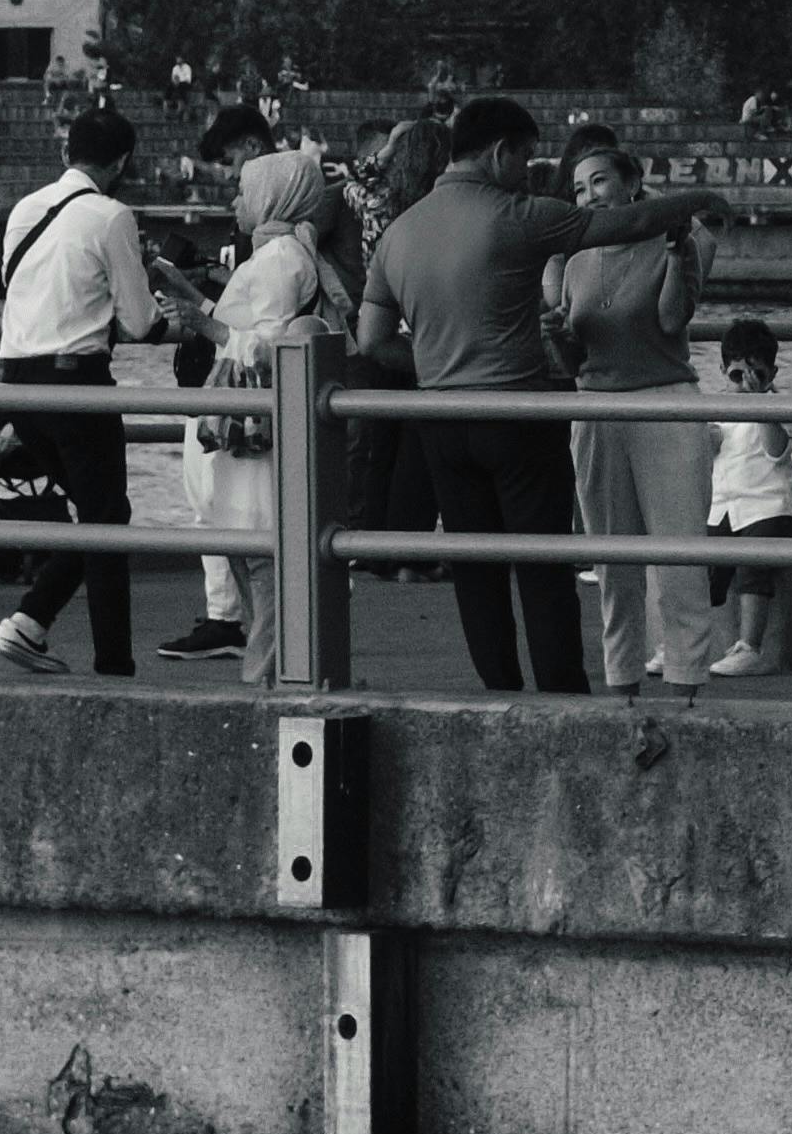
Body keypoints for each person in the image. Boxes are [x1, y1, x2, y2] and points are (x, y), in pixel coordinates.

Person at [357, 97, 598, 699]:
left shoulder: (400, 232)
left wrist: (436, 363)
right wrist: (692, 206)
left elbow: (370, 340)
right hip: (515, 411)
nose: (528, 168)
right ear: (500, 152)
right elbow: (616, 223)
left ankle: (500, 691)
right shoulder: (517, 214)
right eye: (525, 156)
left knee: (475, 568)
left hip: (442, 419)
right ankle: (564, 699)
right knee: (543, 568)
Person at [0, 93, 164, 674]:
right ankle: (104, 659)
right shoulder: (113, 216)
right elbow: (140, 323)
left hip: (18, 381)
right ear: (122, 162)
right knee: (108, 519)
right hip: (76, 380)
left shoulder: (24, 209)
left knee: (100, 514)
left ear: (68, 150)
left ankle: (32, 623)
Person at [182, 141, 351, 691]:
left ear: (275, 197)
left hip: (254, 442)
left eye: (245, 191)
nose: (235, 199)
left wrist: (206, 326)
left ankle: (265, 680)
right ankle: (265, 673)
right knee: (253, 559)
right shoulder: (285, 254)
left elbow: (272, 347)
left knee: (262, 562)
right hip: (250, 437)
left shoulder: (280, 259)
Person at [545, 121, 705, 696]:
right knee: (613, 561)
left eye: (601, 182)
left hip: (665, 401)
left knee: (680, 555)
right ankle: (624, 691)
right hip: (596, 407)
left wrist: (671, 252)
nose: (590, 197)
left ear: (633, 184)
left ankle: (686, 686)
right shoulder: (572, 256)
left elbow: (669, 321)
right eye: (580, 189)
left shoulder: (681, 239)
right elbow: (571, 360)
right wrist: (556, 333)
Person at [698, 318, 792, 682]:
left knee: (753, 563)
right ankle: (690, 643)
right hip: (724, 507)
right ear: (721, 370)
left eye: (757, 374)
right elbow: (708, 449)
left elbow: (777, 449)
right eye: (736, 376)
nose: (745, 384)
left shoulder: (781, 408)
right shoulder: (716, 407)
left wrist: (761, 404)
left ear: (772, 373)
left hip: (769, 507)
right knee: (701, 567)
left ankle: (750, 647)